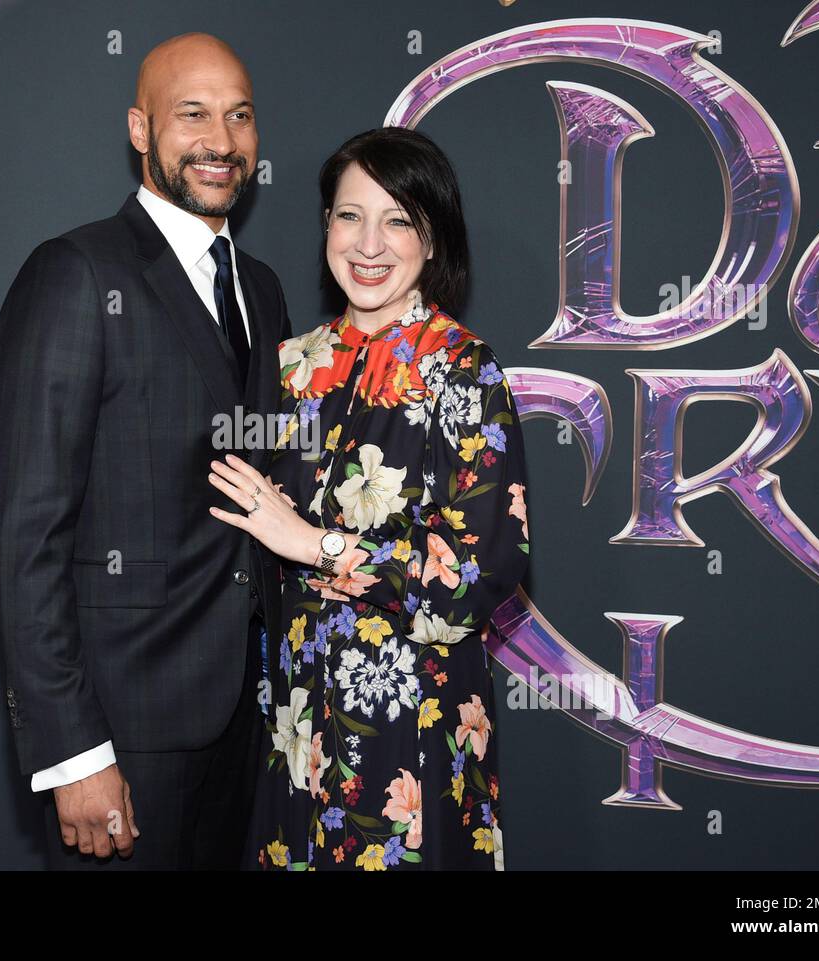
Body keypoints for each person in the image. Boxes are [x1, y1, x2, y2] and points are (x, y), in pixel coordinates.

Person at [0, 32, 291, 870]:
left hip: (249, 718)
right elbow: (29, 537)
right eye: (191, 114)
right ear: (139, 128)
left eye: (239, 116)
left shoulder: (261, 288)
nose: (220, 141)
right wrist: (75, 753)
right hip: (122, 732)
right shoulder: (76, 273)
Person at [208, 126, 531, 870]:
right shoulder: (288, 367)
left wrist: (316, 543)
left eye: (399, 221)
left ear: (432, 238)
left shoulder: (464, 371)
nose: (369, 243)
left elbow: (475, 581)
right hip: (291, 733)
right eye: (350, 215)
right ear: (325, 225)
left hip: (410, 734)